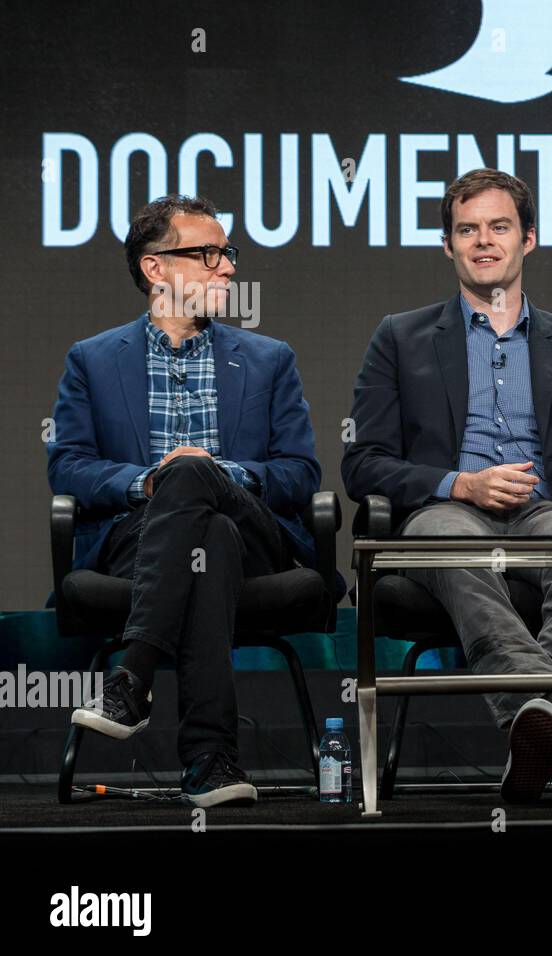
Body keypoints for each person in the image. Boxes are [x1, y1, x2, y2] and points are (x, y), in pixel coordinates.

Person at [341, 169, 552, 802]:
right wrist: (462, 484)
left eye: (499, 226)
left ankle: (533, 729)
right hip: (446, 510)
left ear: (528, 239)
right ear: (448, 245)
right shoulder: (399, 337)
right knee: (455, 545)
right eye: (467, 229)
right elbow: (362, 464)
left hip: (544, 509)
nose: (483, 240)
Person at [51, 195, 324, 807]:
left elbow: (301, 472)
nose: (227, 267)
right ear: (155, 269)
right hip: (140, 540)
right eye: (207, 254)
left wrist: (212, 472)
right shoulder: (92, 360)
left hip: (255, 535)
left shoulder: (268, 359)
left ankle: (134, 674)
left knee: (199, 482)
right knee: (207, 536)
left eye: (227, 254)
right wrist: (149, 482)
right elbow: (67, 465)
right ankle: (209, 760)